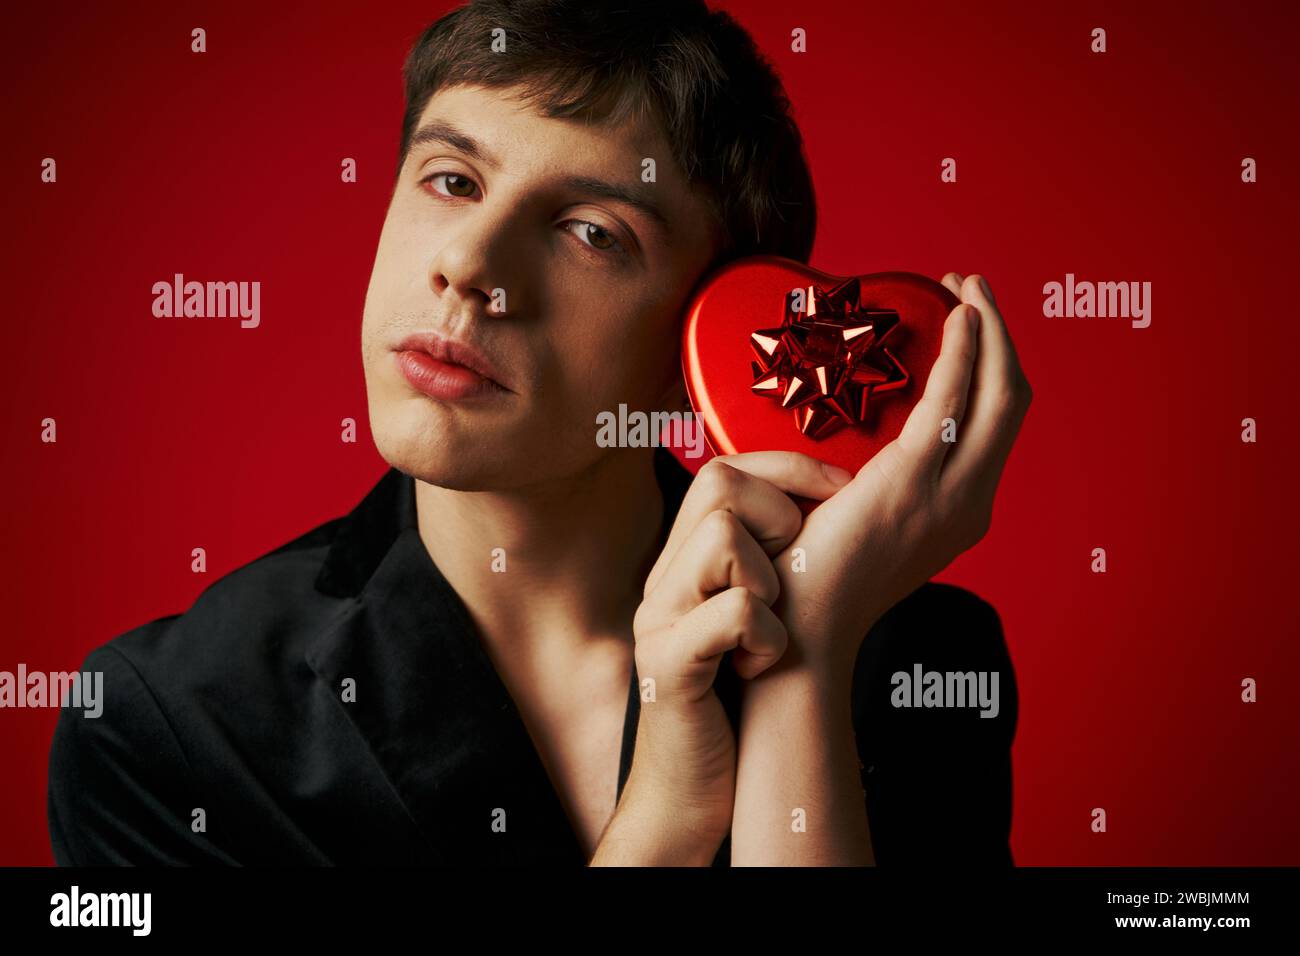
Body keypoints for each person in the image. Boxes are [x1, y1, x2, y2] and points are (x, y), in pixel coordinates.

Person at [47, 0, 1030, 867]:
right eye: (450, 180)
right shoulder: (171, 724)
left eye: (593, 232)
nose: (470, 264)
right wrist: (663, 815)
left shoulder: (913, 662)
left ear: (705, 337)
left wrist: (804, 660)